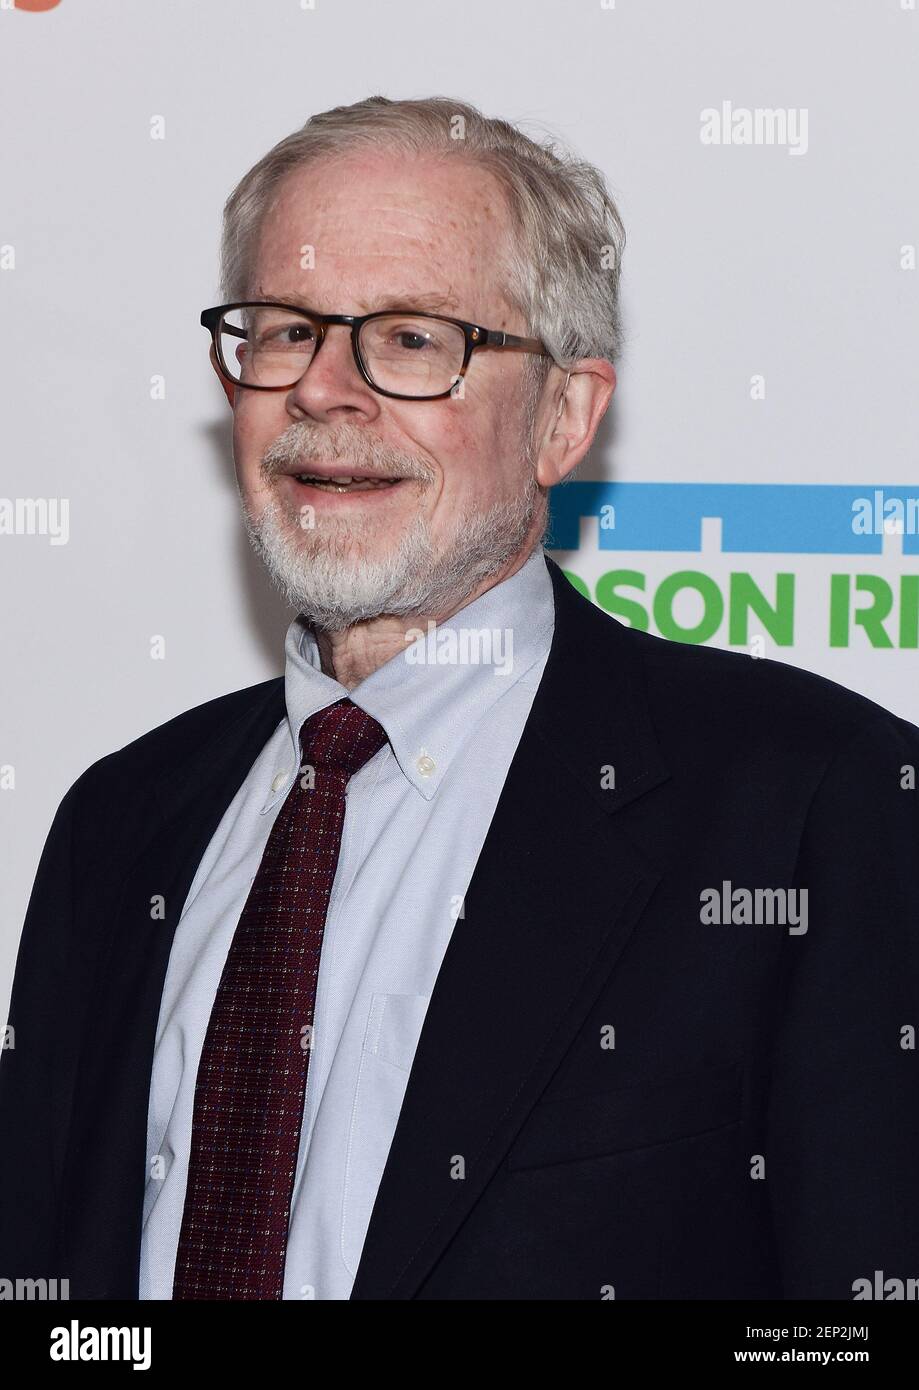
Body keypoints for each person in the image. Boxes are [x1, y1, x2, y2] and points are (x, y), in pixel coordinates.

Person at [1, 94, 917, 1302]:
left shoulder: (818, 808)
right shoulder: (121, 823)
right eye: (284, 330)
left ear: (564, 416)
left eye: (414, 339)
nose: (324, 391)